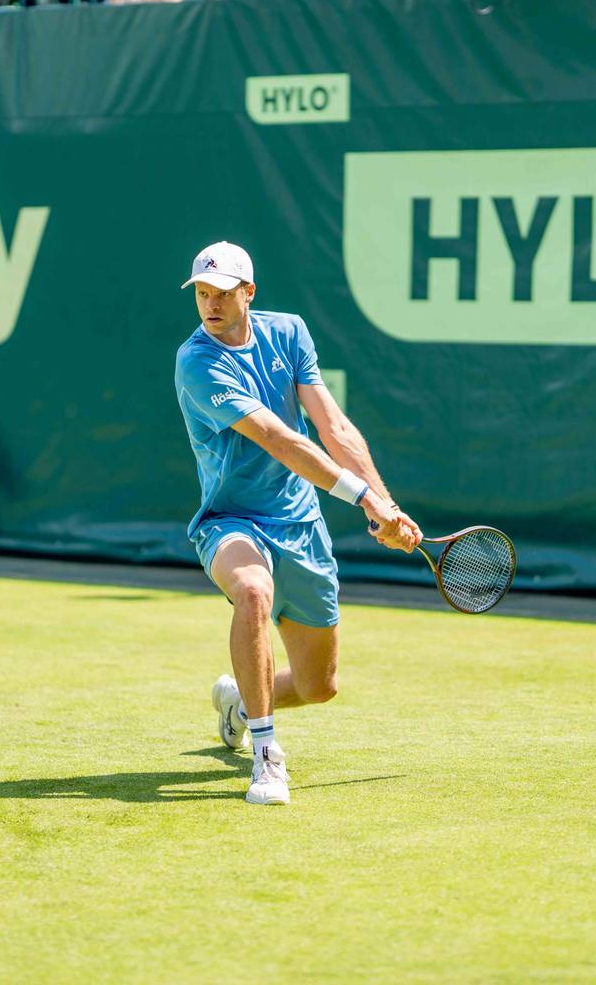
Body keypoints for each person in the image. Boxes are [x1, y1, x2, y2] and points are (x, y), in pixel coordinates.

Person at [173, 242, 421, 807]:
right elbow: (279, 440)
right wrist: (363, 500)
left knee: (317, 687)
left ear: (249, 293)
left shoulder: (289, 333)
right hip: (230, 520)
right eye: (202, 294)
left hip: (300, 524)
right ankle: (265, 754)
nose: (210, 304)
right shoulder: (197, 361)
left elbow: (332, 426)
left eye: (223, 293)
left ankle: (241, 701)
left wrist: (386, 505)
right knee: (254, 591)